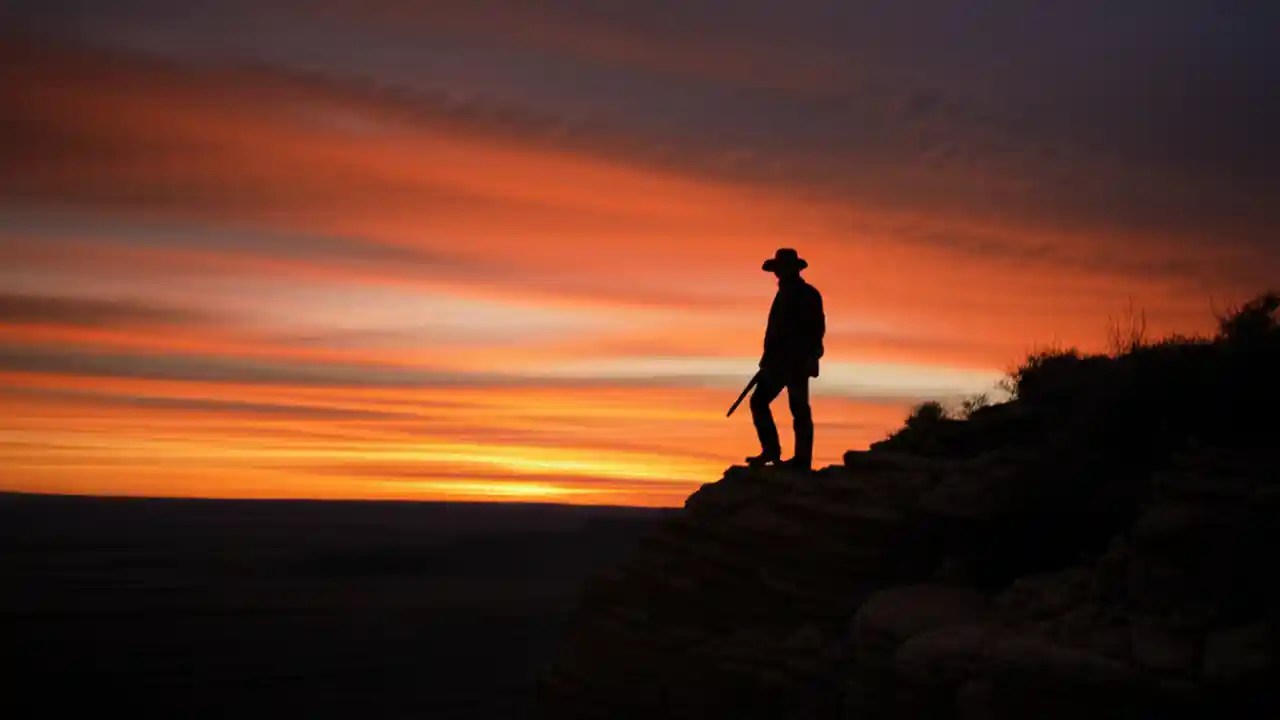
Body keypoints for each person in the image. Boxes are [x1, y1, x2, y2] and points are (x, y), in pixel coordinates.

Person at [747, 248, 824, 471]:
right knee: (760, 402)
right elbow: (774, 333)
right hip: (777, 362)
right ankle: (772, 451)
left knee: (798, 408)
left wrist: (807, 355)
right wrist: (766, 360)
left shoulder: (807, 294)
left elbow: (815, 329)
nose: (778, 274)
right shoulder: (784, 294)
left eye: (781, 269)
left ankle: (801, 460)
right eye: (777, 270)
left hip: (796, 362)